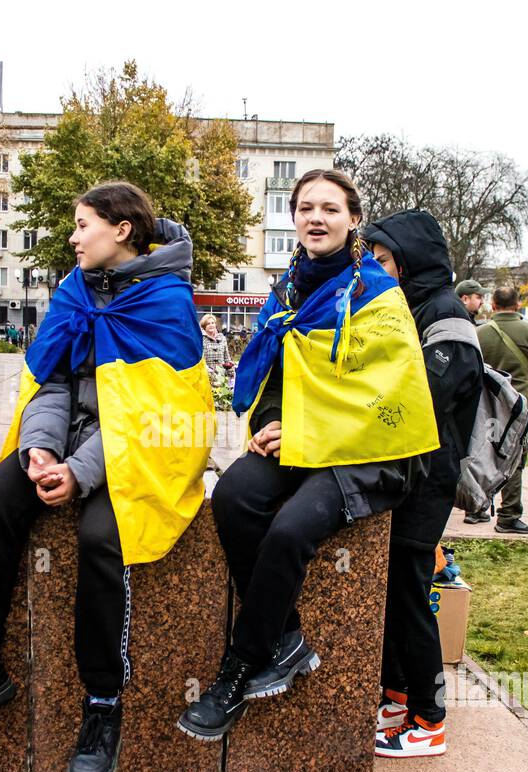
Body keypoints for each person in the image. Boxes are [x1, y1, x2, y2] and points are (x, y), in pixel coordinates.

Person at [0, 182, 211, 772]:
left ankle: (103, 704)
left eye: (83, 225)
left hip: (142, 451)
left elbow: (151, 418)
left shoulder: (166, 302)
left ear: (121, 230)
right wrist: (42, 449)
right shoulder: (75, 291)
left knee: (105, 535)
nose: (73, 238)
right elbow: (49, 379)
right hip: (67, 443)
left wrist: (80, 472)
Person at [177, 169, 438, 742]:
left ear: (353, 220)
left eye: (330, 208)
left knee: (291, 528)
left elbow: (382, 395)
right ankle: (286, 637)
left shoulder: (378, 292)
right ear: (293, 217)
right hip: (299, 439)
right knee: (235, 496)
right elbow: (277, 370)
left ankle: (237, 668)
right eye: (305, 208)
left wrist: (299, 428)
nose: (316, 218)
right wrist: (272, 421)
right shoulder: (287, 288)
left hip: (364, 451)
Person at [366, 209, 483, 758]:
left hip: (427, 479)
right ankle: (397, 696)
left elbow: (429, 393)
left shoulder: (446, 314)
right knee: (393, 591)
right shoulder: (412, 307)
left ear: (410, 260)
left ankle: (429, 719)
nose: (377, 267)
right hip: (405, 475)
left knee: (412, 596)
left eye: (385, 259)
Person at [477, 286, 528, 534]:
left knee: (476, 453)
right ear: (517, 305)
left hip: (484, 405)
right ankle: (508, 514)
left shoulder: (479, 332)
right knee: (514, 458)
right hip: (518, 405)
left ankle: (474, 507)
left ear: (493, 306)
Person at [200, 313, 229, 386]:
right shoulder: (200, 339)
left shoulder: (222, 338)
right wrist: (210, 374)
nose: (211, 325)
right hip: (206, 379)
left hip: (222, 377)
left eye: (212, 323)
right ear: (204, 327)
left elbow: (227, 357)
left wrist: (231, 373)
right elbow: (201, 361)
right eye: (208, 324)